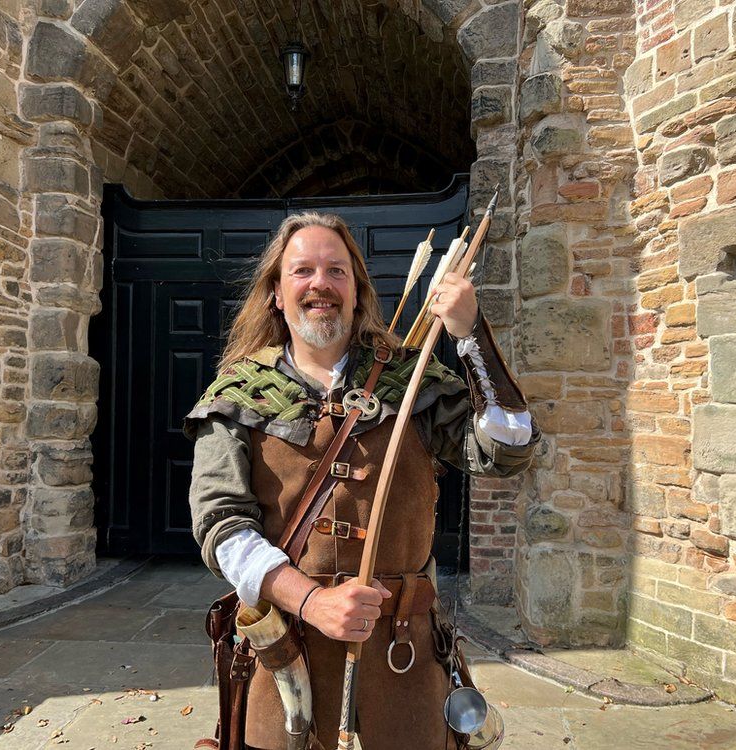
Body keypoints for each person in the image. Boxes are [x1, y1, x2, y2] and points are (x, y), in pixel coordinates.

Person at [185, 212, 539, 750]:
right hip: (284, 656)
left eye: (336, 271)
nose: (320, 284)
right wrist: (310, 601)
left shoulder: (411, 378)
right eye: (302, 271)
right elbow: (221, 526)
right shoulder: (238, 393)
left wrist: (471, 334)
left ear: (356, 291)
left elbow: (508, 449)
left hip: (404, 659)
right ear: (277, 294)